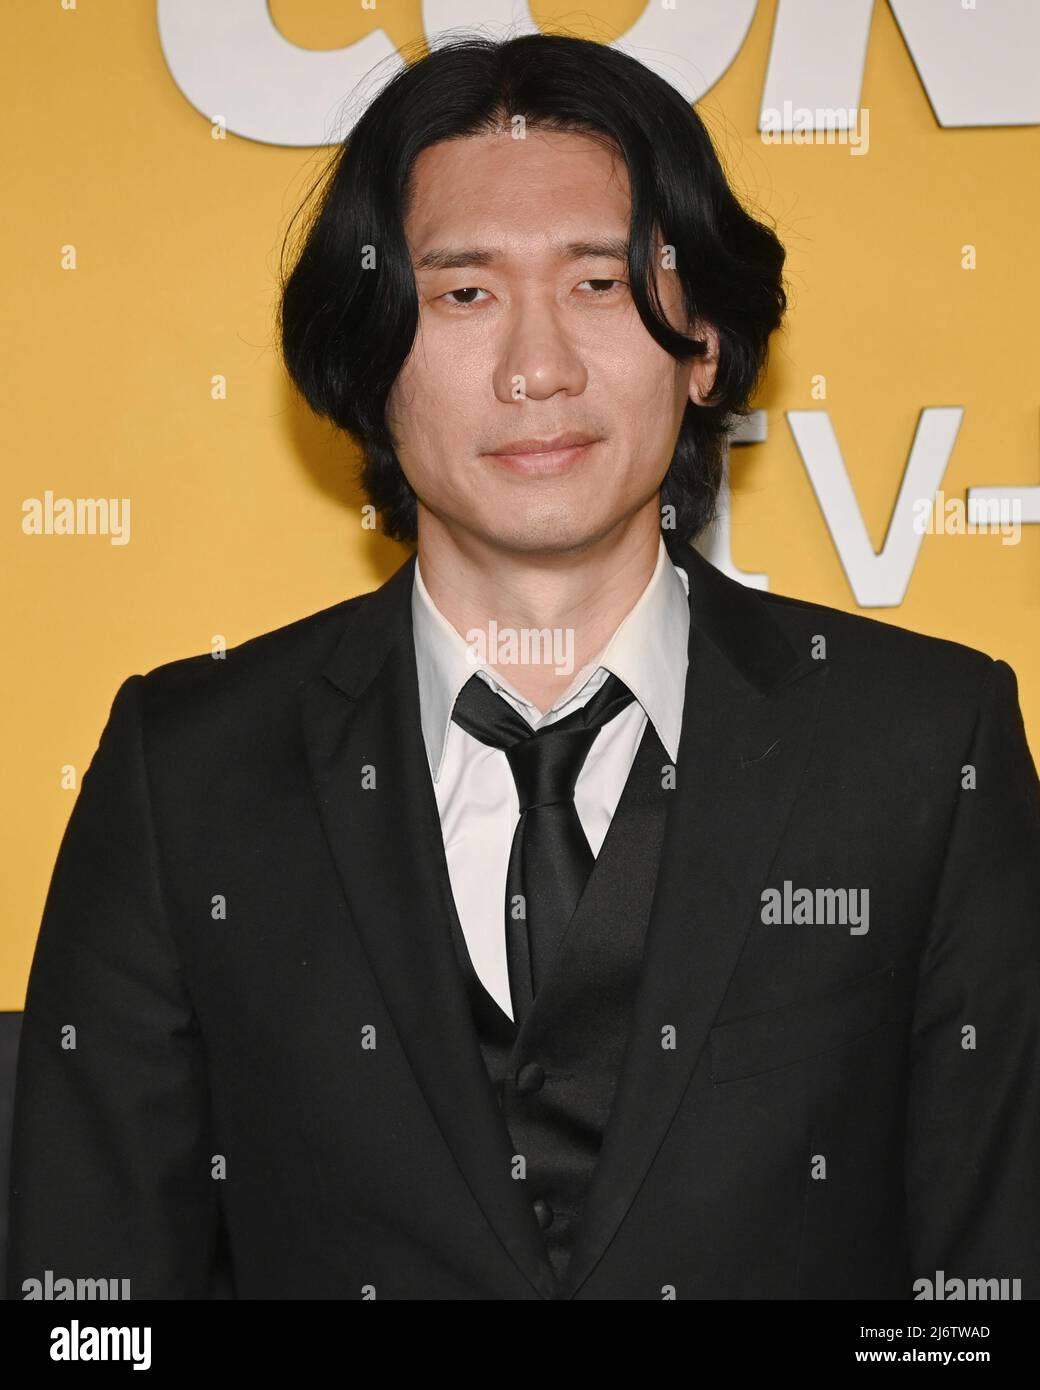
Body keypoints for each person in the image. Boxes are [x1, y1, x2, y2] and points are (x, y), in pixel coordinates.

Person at [7, 32, 1040, 1302]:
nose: (535, 368)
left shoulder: (924, 748)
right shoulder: (190, 770)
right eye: (463, 293)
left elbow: (994, 1284)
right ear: (369, 357)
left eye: (600, 284)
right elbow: (86, 1312)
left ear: (700, 340)